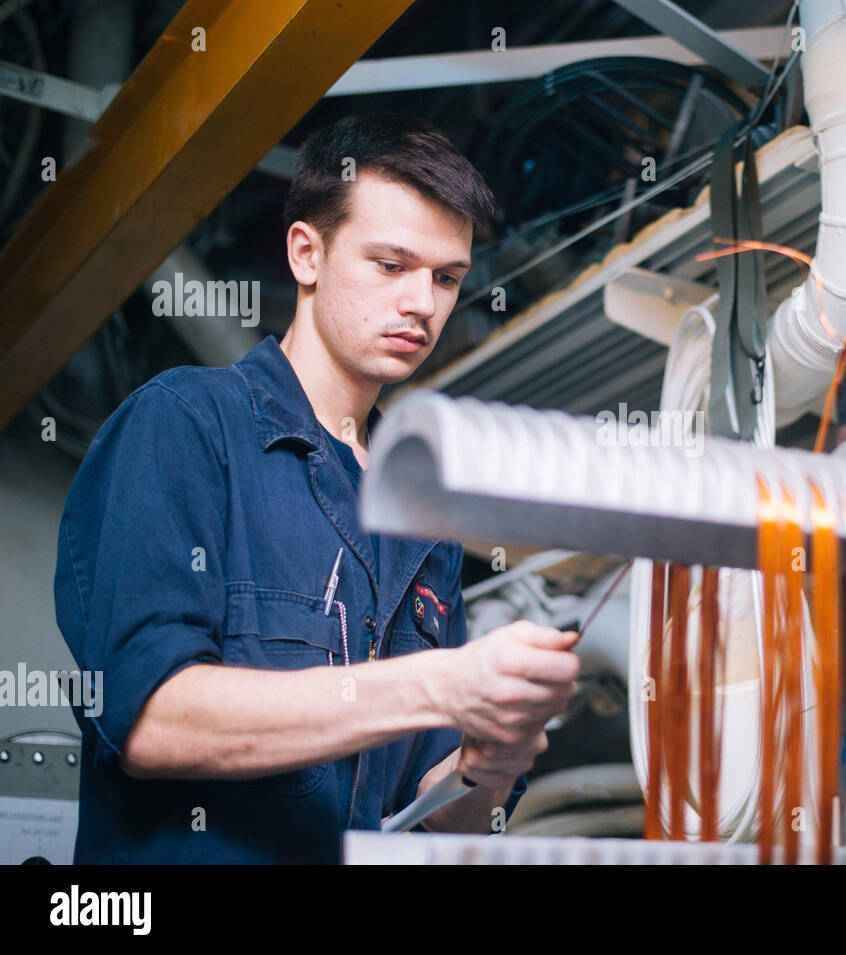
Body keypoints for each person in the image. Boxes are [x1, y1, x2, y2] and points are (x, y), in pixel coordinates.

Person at [53, 113, 579, 864]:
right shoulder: (188, 425)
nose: (424, 304)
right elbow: (151, 719)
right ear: (307, 252)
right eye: (391, 265)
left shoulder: (424, 515)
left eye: (447, 277)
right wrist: (442, 681)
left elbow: (445, 820)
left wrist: (491, 760)